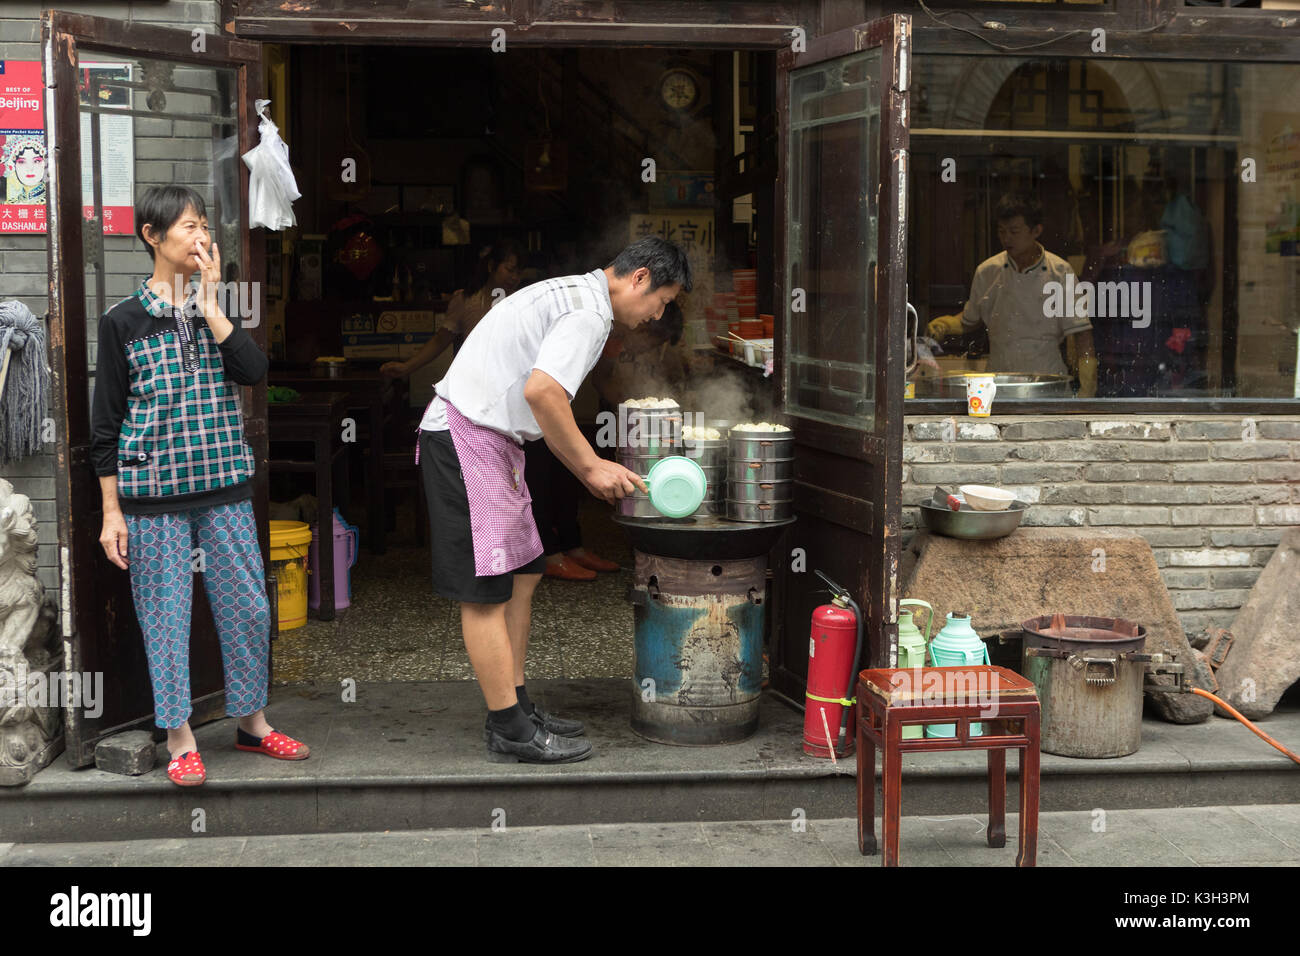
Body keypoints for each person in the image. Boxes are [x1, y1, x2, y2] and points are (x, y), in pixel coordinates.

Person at [417, 236, 691, 763]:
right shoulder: (588, 312)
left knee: (524, 572)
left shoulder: (577, 296)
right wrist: (590, 466)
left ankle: (517, 705)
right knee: (484, 591)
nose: (659, 312)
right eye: (663, 299)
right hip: (465, 436)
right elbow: (542, 392)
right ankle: (508, 728)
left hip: (494, 440)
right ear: (638, 278)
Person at [90, 185, 309, 787]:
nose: (201, 237)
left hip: (224, 489)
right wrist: (112, 512)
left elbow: (253, 371)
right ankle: (180, 737)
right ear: (152, 238)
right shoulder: (122, 322)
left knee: (247, 608)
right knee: (166, 617)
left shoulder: (216, 309)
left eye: (205, 226)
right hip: (153, 499)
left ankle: (252, 724)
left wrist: (212, 306)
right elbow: (104, 425)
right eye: (188, 227)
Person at [927, 193, 1098, 397]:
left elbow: (1082, 334)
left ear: (1036, 230)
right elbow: (969, 320)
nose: (1006, 238)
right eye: (1001, 231)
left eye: (1014, 231)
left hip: (1048, 384)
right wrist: (946, 325)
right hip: (998, 384)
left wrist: (1087, 387)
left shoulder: (1061, 272)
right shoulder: (987, 271)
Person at [379, 238, 523, 380]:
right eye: (510, 270)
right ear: (491, 266)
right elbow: (440, 340)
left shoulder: (524, 304)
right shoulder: (466, 300)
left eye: (519, 273)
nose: (514, 277)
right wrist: (407, 367)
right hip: (476, 386)